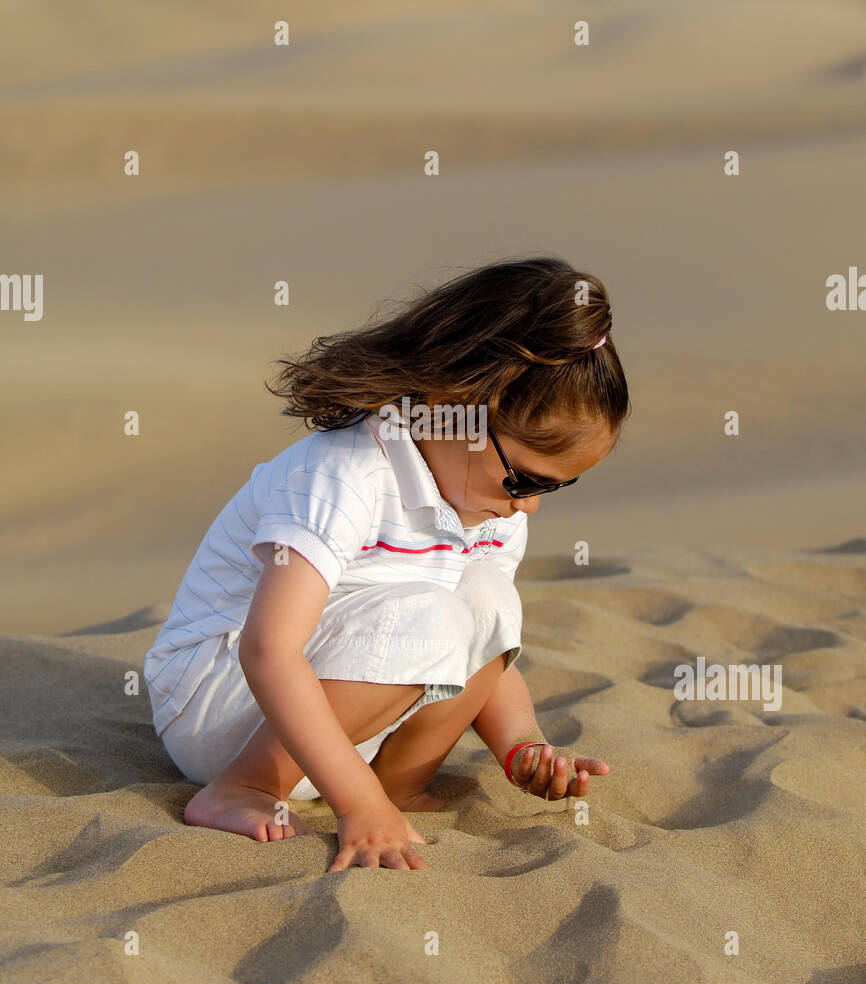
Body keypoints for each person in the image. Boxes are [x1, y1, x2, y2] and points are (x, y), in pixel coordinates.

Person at [143, 255, 629, 871]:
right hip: (220, 703)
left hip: (331, 714)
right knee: (432, 616)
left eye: (555, 487)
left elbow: (488, 637)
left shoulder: (489, 503)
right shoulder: (347, 470)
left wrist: (524, 745)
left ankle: (401, 784)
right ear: (455, 402)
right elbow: (267, 651)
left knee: (486, 595)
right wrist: (355, 803)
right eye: (524, 477)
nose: (528, 504)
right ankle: (248, 788)